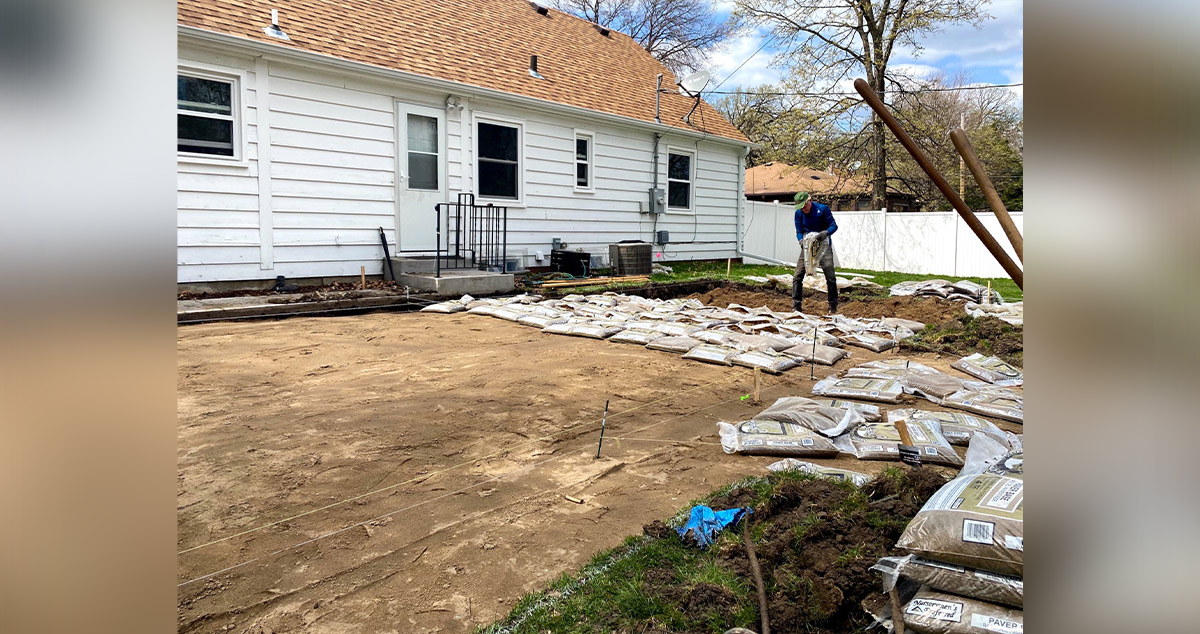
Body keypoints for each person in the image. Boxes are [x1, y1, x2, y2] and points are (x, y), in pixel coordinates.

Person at [792, 191, 839, 313]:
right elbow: (798, 231)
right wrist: (800, 241)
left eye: (804, 206)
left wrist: (825, 233)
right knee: (798, 275)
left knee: (830, 276)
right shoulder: (798, 214)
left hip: (823, 245)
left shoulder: (822, 210)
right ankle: (796, 306)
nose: (803, 209)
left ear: (809, 201)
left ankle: (832, 306)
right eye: (800, 207)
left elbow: (834, 226)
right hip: (808, 246)